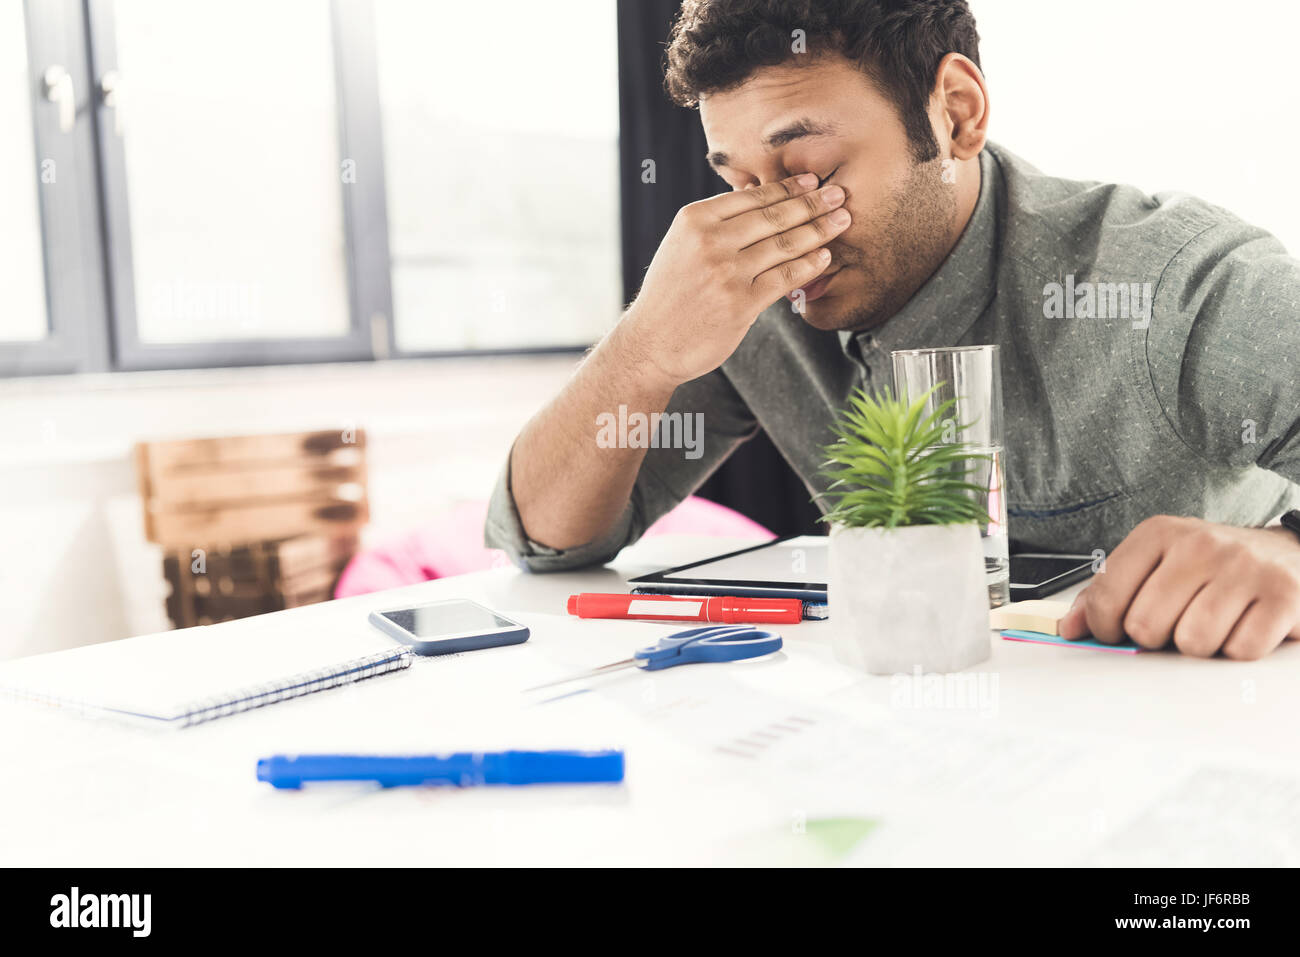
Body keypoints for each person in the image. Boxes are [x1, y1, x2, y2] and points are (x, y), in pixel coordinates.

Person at [487, 0, 1300, 660]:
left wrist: (1289, 555)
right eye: (737, 182)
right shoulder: (750, 296)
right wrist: (644, 347)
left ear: (955, 114)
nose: (779, 225)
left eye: (812, 171)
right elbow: (548, 538)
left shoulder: (1163, 280)